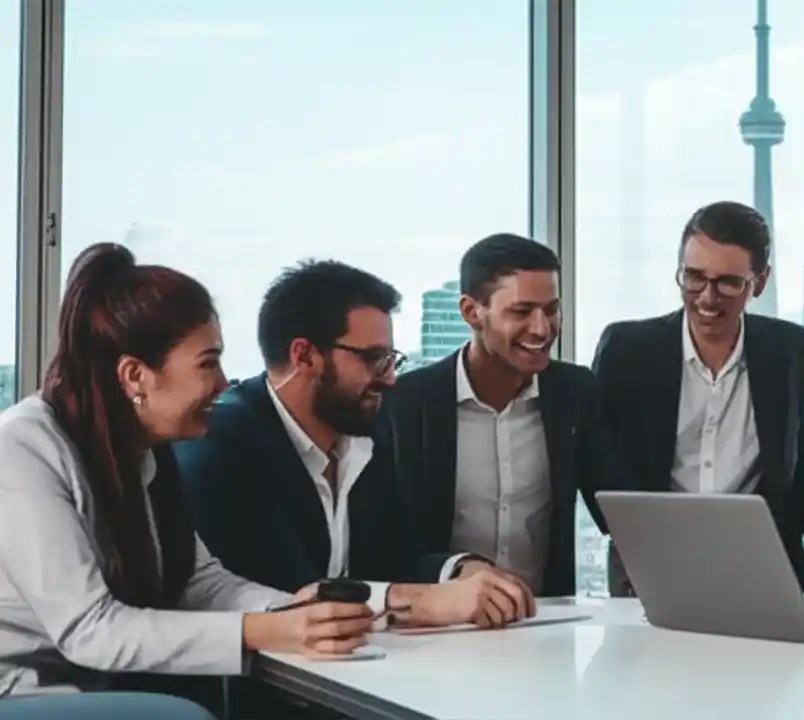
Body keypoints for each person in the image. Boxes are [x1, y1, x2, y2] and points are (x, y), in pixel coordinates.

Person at [0, 245, 373, 697]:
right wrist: (260, 631)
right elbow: (90, 630)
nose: (222, 382)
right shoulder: (21, 449)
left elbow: (197, 582)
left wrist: (290, 610)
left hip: (96, 687)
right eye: (208, 362)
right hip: (22, 692)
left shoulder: (141, 450)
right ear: (135, 376)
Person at [175, 260, 533, 629]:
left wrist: (459, 571)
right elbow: (289, 593)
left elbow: (400, 555)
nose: (391, 379)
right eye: (374, 359)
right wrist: (420, 603)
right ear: (305, 356)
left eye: (391, 360)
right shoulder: (223, 445)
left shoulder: (365, 434)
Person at [593, 200, 804, 594]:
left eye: (728, 282)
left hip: (758, 571)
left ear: (760, 283)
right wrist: (628, 536)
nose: (707, 298)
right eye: (694, 277)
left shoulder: (788, 350)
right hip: (649, 567)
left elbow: (795, 465)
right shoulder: (627, 351)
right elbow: (597, 458)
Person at [380, 234, 616, 597]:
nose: (541, 328)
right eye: (521, 312)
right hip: (436, 627)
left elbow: (616, 504)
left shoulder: (575, 393)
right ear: (471, 312)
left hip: (545, 625)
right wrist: (455, 569)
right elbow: (387, 542)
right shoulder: (407, 404)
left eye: (551, 309)